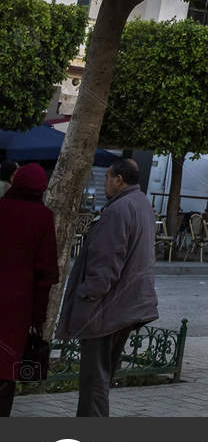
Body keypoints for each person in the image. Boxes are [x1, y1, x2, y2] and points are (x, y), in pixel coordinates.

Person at [57, 157, 158, 417]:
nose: (105, 183)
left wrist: (86, 294)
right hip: (126, 306)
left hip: (106, 309)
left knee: (94, 380)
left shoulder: (118, 209)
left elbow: (105, 265)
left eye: (107, 177)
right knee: (102, 376)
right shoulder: (142, 203)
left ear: (118, 179)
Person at [0, 163, 58, 417]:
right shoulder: (42, 217)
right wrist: (39, 316)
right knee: (5, 366)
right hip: (18, 307)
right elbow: (46, 272)